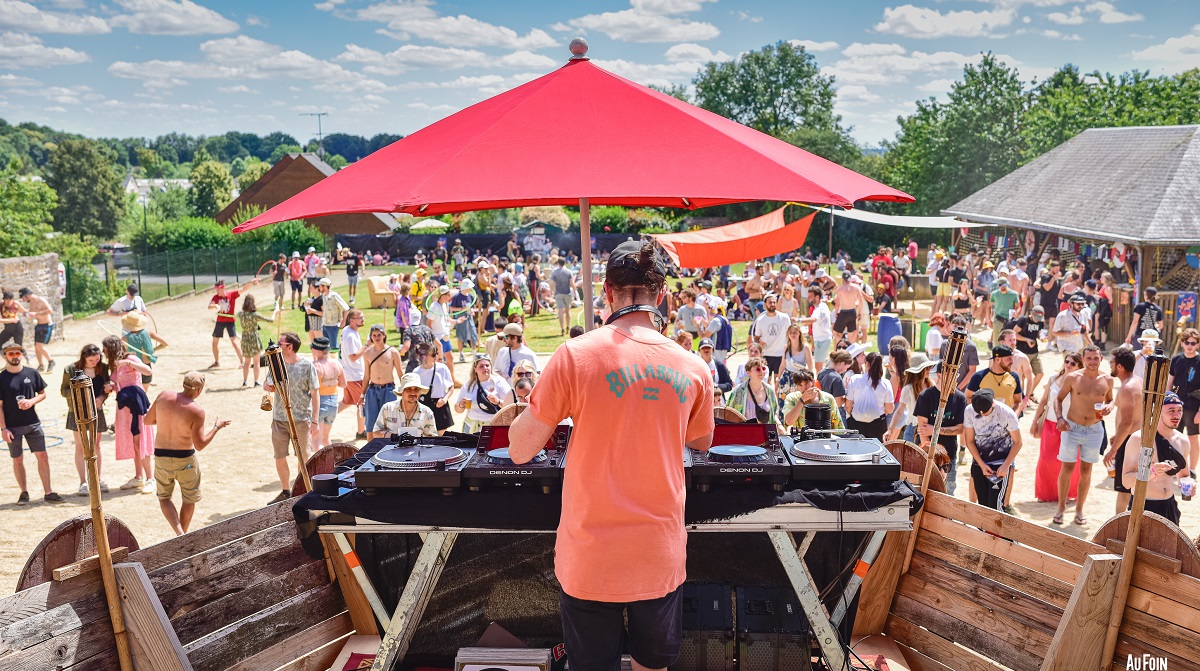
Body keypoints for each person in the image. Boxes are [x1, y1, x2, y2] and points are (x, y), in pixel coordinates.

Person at [506, 239, 713, 671]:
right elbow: (701, 442)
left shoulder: (574, 356)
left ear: (607, 291)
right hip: (658, 552)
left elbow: (521, 449)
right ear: (661, 296)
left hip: (590, 555)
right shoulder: (694, 368)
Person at [145, 372, 228, 535]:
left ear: (183, 384)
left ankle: (179, 534)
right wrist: (217, 427)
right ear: (199, 390)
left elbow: (147, 420)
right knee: (189, 499)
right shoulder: (196, 411)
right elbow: (200, 444)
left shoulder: (163, 396)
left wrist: (163, 421)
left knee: (164, 497)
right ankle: (182, 536)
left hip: (161, 456)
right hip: (185, 459)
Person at [1053, 345, 1114, 525]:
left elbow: (1110, 398)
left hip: (1094, 429)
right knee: (1067, 469)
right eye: (1089, 358)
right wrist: (1059, 418)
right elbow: (1058, 398)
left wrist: (1110, 406)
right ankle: (1061, 508)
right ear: (1083, 358)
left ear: (1101, 358)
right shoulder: (1073, 377)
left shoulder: (1107, 380)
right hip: (1072, 428)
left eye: (1096, 358)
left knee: (1086, 471)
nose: (1092, 362)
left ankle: (1079, 510)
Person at [1, 339, 63, 504]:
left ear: (21, 354)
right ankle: (24, 493)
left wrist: (31, 401)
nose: (15, 356)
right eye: (11, 353)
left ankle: (48, 492)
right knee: (18, 459)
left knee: (42, 456)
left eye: (18, 353)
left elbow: (42, 393)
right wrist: (3, 429)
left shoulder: (32, 373)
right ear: (5, 356)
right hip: (12, 427)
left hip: (33, 423)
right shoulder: (1, 378)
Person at [263, 332, 320, 504]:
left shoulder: (306, 366)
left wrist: (315, 420)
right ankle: (285, 491)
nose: (278, 345)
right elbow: (269, 385)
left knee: (303, 457)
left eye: (281, 343)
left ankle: (301, 490)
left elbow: (315, 393)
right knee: (279, 456)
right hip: (279, 418)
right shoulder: (276, 363)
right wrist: (268, 386)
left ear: (290, 346)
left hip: (301, 419)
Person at [1121, 391, 1190, 525]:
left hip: (1169, 505)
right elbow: (1126, 481)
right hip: (1144, 505)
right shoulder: (1139, 439)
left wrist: (1187, 484)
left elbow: (1184, 474)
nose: (1176, 415)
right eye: (1171, 411)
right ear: (1157, 412)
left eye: (1179, 410)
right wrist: (1150, 472)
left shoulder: (1182, 441)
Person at [102, 336, 155, 493]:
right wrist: (111, 387)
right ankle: (139, 477)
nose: (103, 351)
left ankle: (151, 478)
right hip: (124, 408)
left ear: (111, 348)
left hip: (137, 405)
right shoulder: (112, 365)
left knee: (140, 441)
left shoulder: (129, 358)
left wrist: (128, 363)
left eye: (105, 348)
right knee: (134, 443)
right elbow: (120, 385)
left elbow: (148, 370)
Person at [1030, 353, 1084, 503]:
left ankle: (1066, 493)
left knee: (1068, 462)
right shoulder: (1053, 378)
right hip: (1049, 424)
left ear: (1079, 366)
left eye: (1073, 363)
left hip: (1070, 428)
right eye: (1067, 361)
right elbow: (1043, 401)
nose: (1068, 364)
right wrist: (1035, 421)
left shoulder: (1081, 383)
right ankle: (1045, 494)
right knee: (1046, 460)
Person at [60, 344, 111, 495]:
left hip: (98, 411)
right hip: (78, 411)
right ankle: (83, 482)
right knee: (80, 447)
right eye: (91, 360)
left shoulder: (103, 368)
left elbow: (105, 388)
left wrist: (102, 396)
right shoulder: (71, 369)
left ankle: (97, 479)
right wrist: (81, 396)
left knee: (97, 445)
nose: (95, 362)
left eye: (97, 359)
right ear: (84, 358)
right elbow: (64, 390)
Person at [963, 389, 1022, 511]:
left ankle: (995, 531)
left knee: (996, 507)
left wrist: (1006, 465)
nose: (983, 415)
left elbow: (1018, 442)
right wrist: (981, 464)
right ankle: (983, 531)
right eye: (979, 413)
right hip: (979, 463)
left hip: (1000, 464)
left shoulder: (1007, 414)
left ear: (993, 403)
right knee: (983, 504)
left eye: (986, 412)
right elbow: (969, 441)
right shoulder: (969, 411)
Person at [913, 365, 968, 495]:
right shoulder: (925, 396)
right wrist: (929, 456)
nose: (956, 378)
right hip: (928, 455)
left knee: (949, 491)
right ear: (939, 375)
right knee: (924, 491)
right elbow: (923, 432)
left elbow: (960, 429)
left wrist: (934, 430)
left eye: (957, 374)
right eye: (952, 374)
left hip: (949, 455)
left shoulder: (960, 398)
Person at [1103, 346, 1142, 515]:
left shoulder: (1127, 388)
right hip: (1134, 437)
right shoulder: (1137, 381)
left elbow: (1127, 422)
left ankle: (1117, 525)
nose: (1110, 365)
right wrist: (1117, 436)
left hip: (1129, 441)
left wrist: (1113, 450)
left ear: (1119, 366)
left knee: (1124, 489)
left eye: (1111, 363)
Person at [361, 323, 406, 436]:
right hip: (372, 390)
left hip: (388, 389)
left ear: (384, 336)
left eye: (379, 335)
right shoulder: (368, 353)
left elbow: (400, 373)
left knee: (390, 423)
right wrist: (362, 394)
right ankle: (370, 452)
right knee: (370, 423)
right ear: (371, 337)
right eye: (374, 335)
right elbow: (366, 375)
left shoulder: (393, 352)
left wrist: (405, 390)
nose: (376, 338)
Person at [1167, 327, 1200, 473]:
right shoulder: (1176, 359)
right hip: (1176, 403)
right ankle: (1175, 466)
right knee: (1174, 437)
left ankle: (1192, 469)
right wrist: (1166, 402)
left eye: (1193, 343)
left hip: (1194, 405)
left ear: (1197, 345)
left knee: (1192, 438)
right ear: (1182, 343)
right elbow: (1169, 382)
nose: (1190, 346)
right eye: (1187, 342)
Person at [454, 355, 512, 433]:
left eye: (487, 365)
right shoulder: (468, 385)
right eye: (481, 366)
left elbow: (511, 407)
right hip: (471, 426)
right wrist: (461, 405)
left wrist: (498, 401)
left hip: (492, 427)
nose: (485, 368)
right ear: (475, 369)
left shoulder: (499, 382)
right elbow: (458, 410)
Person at [887, 354, 937, 443]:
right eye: (926, 368)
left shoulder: (931, 385)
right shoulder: (908, 389)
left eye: (929, 367)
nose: (929, 370)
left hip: (929, 428)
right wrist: (890, 429)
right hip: (913, 429)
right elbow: (899, 411)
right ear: (919, 370)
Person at [208, 279, 256, 369]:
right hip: (220, 322)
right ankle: (217, 362)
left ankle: (242, 362)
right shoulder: (216, 297)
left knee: (234, 342)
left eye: (218, 289)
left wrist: (250, 282)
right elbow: (209, 306)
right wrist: (215, 305)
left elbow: (243, 289)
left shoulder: (231, 295)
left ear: (222, 288)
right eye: (216, 289)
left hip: (230, 321)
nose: (216, 291)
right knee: (214, 343)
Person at [845, 351, 894, 440]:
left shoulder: (854, 380)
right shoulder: (885, 383)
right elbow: (890, 409)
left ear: (866, 364)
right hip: (878, 424)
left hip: (856, 423)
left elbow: (848, 405)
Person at [373, 372, 438, 438]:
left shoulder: (427, 412)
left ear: (420, 392)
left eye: (416, 389)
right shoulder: (387, 408)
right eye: (408, 389)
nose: (413, 393)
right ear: (402, 391)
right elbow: (376, 433)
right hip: (392, 447)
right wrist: (392, 436)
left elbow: (432, 437)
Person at [966, 344, 1025, 413]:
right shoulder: (979, 377)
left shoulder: (1014, 377)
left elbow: (1018, 401)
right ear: (997, 359)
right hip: (984, 421)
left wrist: (1011, 416)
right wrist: (981, 412)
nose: (1012, 362)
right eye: (1008, 359)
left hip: (1006, 421)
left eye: (1012, 358)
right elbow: (968, 397)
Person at [309, 337, 345, 449]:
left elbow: (309, 388)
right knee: (325, 438)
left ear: (316, 350)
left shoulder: (315, 366)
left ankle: (324, 465)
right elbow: (343, 384)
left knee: (316, 441)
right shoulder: (337, 364)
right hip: (333, 402)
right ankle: (331, 463)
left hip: (319, 402)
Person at [413, 343, 454, 434]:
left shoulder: (442, 368)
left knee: (441, 438)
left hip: (439, 405)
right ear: (424, 356)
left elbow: (451, 387)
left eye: (437, 353)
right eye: (433, 355)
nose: (436, 356)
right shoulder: (416, 372)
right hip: (423, 406)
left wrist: (444, 399)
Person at [338, 310, 367, 440]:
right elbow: (353, 357)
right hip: (354, 375)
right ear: (352, 320)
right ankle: (361, 431)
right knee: (362, 403)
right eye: (359, 318)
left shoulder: (347, 331)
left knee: (347, 401)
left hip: (348, 374)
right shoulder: (350, 336)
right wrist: (367, 345)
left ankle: (323, 418)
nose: (363, 319)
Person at [237, 294, 278, 387]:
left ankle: (245, 381)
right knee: (256, 362)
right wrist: (275, 312)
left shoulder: (240, 314)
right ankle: (256, 381)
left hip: (245, 339)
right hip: (254, 339)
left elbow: (239, 313)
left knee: (247, 362)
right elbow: (271, 320)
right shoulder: (255, 315)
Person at [728, 356, 779, 425]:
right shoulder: (738, 391)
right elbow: (729, 413)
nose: (762, 372)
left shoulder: (770, 391)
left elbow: (774, 412)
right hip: (744, 432)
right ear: (749, 373)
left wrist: (779, 425)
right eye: (758, 369)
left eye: (763, 368)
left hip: (765, 432)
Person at [1010, 305, 1046, 401]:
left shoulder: (1040, 322)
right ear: (1031, 313)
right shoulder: (1023, 321)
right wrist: (1026, 340)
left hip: (1034, 352)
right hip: (1022, 352)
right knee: (1022, 377)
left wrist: (1041, 337)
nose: (1037, 320)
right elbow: (1014, 334)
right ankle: (1021, 397)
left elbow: (1038, 332)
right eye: (1036, 317)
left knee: (1040, 373)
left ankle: (1029, 393)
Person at [122, 311, 167, 387]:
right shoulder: (149, 333)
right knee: (144, 394)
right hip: (146, 366)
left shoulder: (125, 339)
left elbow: (122, 353)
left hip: (133, 368)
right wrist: (152, 350)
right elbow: (165, 343)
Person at [18, 288, 54, 372]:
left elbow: (50, 310)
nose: (23, 300)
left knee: (39, 346)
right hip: (38, 325)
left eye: (23, 297)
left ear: (27, 295)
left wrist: (37, 313)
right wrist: (28, 315)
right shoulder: (31, 303)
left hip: (46, 325)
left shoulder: (41, 300)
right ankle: (41, 365)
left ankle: (51, 361)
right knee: (36, 347)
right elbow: (31, 314)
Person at [776, 324, 814, 396]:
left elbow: (810, 367)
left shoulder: (805, 348)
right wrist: (778, 379)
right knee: (784, 402)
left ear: (799, 334)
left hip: (799, 379)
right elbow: (783, 365)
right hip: (786, 378)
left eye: (795, 332)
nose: (793, 335)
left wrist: (810, 381)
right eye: (791, 333)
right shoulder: (786, 347)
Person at [799, 286, 833, 368]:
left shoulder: (819, 309)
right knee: (818, 365)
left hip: (823, 340)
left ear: (817, 297)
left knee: (818, 366)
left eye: (810, 296)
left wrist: (798, 320)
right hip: (820, 339)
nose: (808, 298)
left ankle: (820, 380)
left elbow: (813, 319)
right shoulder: (819, 307)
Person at [451, 280, 478, 362]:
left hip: (469, 319)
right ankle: (461, 354)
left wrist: (472, 311)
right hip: (461, 319)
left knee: (473, 335)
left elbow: (472, 306)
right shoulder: (457, 297)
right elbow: (452, 308)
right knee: (460, 336)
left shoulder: (470, 296)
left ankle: (474, 353)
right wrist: (461, 309)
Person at [318, 278, 349, 350]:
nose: (319, 288)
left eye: (320, 286)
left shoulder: (334, 296)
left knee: (334, 346)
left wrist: (343, 321)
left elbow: (346, 308)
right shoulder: (324, 296)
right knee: (326, 346)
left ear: (325, 287)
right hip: (325, 324)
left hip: (333, 325)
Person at [989, 277, 1021, 345]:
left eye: (1004, 286)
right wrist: (989, 319)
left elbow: (1018, 307)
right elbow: (989, 306)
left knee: (1008, 340)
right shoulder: (994, 294)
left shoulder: (1014, 294)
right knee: (996, 341)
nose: (1003, 288)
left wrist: (1016, 312)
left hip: (1009, 320)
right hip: (998, 319)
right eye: (1001, 286)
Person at [833, 273, 864, 343]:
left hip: (844, 312)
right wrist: (860, 313)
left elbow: (837, 303)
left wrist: (836, 312)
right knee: (851, 334)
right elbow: (860, 302)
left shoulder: (840, 289)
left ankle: (842, 344)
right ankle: (851, 350)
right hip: (852, 312)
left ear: (842, 279)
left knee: (835, 332)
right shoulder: (856, 288)